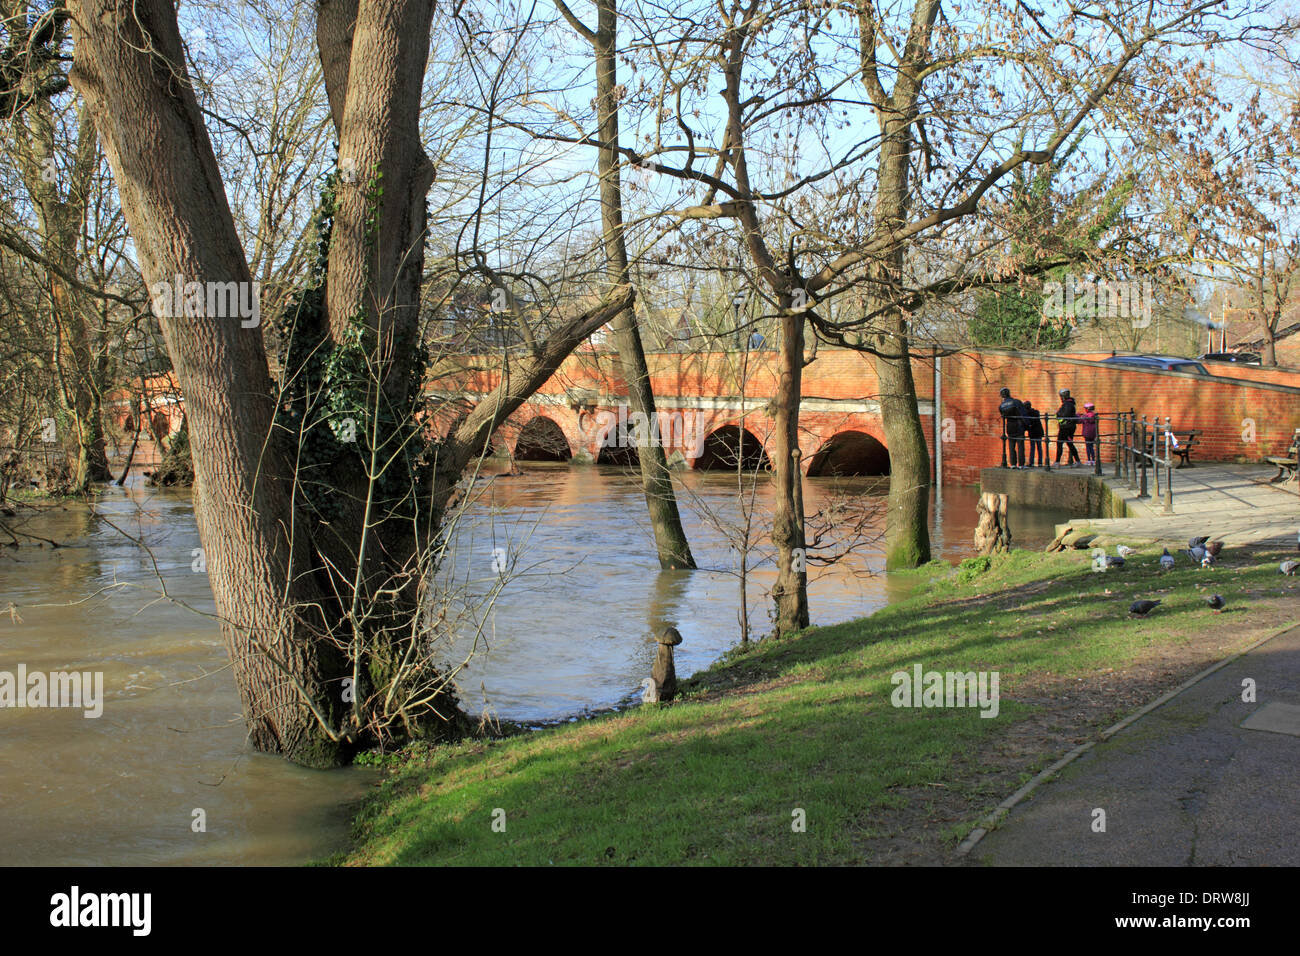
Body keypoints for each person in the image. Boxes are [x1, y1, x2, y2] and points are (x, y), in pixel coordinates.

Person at [998, 387, 1026, 468]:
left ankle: (1013, 464)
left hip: (1010, 426)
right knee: (1020, 446)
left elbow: (1003, 416)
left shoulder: (1001, 406)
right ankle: (1021, 464)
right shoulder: (1016, 402)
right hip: (1019, 425)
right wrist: (1027, 424)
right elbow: (1023, 413)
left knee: (1011, 446)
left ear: (1002, 396)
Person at [1055, 388, 1081, 466]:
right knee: (1068, 443)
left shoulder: (1067, 404)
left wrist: (1058, 414)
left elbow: (1063, 414)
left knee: (1061, 443)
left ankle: (1057, 462)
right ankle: (1077, 460)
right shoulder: (1069, 404)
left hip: (1066, 427)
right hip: (1068, 426)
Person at [1023, 399, 1045, 467]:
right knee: (1039, 447)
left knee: (1032, 448)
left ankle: (1031, 463)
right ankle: (1040, 463)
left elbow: (1027, 424)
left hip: (1032, 433)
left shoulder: (1026, 415)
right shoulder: (1036, 412)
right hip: (1039, 432)